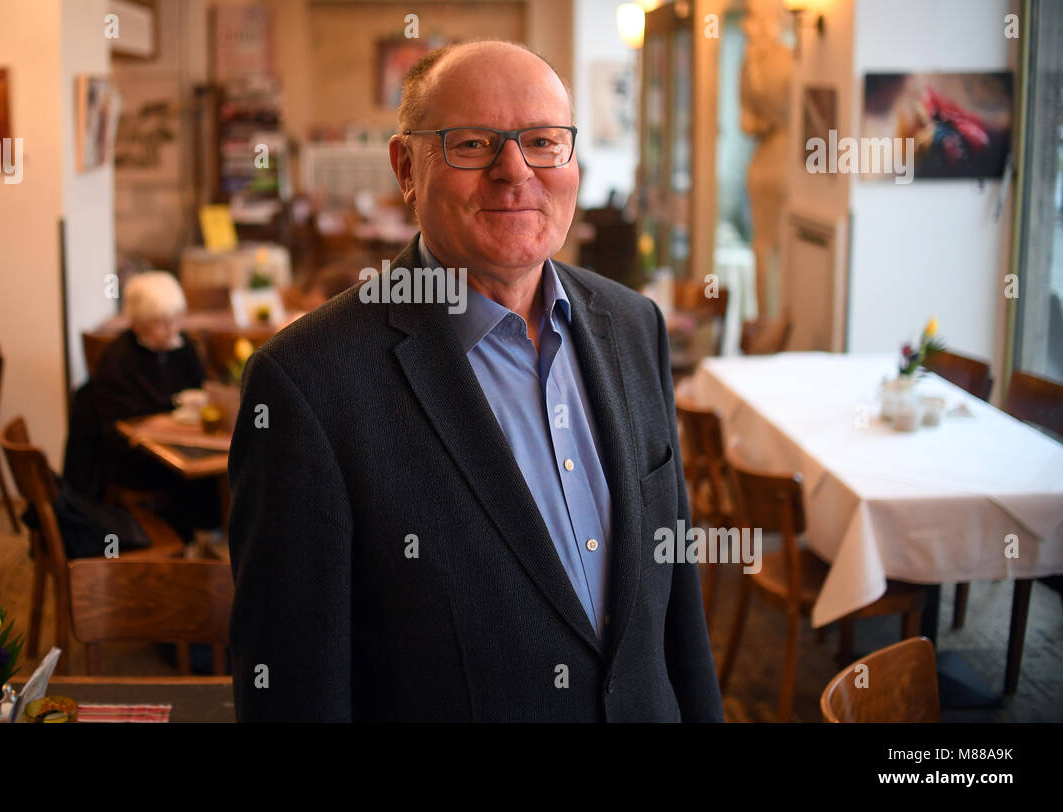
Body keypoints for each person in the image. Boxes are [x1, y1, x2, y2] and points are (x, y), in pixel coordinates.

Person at [228, 40, 723, 721]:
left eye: (543, 141)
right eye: (471, 144)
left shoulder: (634, 325)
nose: (514, 171)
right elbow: (295, 694)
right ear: (406, 167)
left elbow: (677, 613)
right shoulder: (307, 386)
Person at [91, 271, 220, 538]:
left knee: (224, 467)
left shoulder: (183, 345)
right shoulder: (119, 359)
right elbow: (118, 427)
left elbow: (201, 388)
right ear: (137, 324)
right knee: (194, 477)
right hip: (138, 456)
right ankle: (184, 543)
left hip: (184, 441)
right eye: (161, 323)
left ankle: (211, 535)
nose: (173, 328)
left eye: (176, 319)